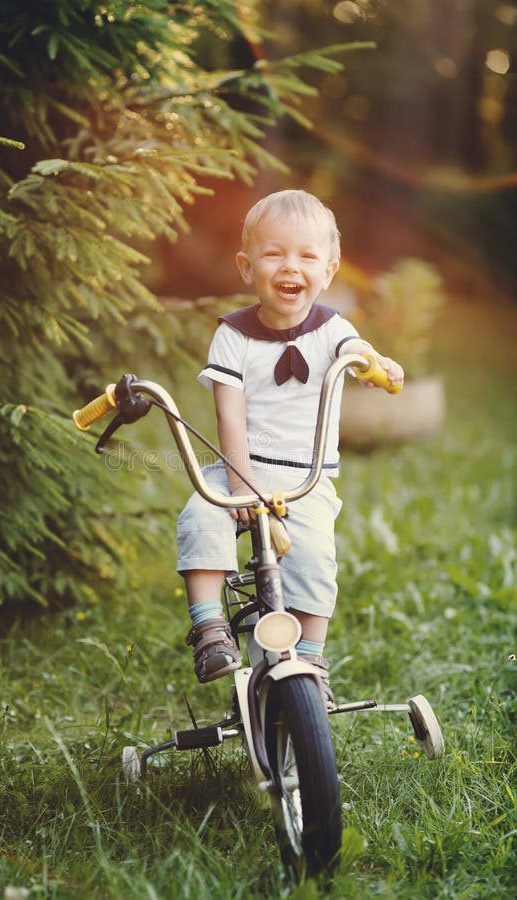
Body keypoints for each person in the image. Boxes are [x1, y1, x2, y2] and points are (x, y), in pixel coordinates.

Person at [176, 189, 404, 702]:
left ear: (329, 270)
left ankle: (313, 658)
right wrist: (241, 487)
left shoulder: (333, 330)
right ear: (246, 265)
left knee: (316, 556)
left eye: (306, 255)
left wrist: (376, 365)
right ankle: (210, 627)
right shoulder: (232, 337)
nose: (290, 266)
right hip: (241, 471)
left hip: (305, 480)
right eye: (274, 253)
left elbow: (356, 352)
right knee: (199, 514)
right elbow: (228, 415)